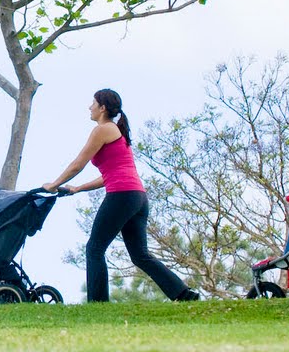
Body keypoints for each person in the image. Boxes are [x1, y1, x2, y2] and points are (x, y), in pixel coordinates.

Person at [44, 88, 199, 302]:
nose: (89, 107)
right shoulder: (117, 131)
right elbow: (110, 175)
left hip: (122, 195)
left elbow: (78, 164)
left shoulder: (103, 130)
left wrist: (54, 184)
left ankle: (98, 303)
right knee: (140, 255)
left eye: (93, 103)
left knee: (94, 248)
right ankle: (184, 294)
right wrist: (78, 188)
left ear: (102, 108)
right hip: (137, 197)